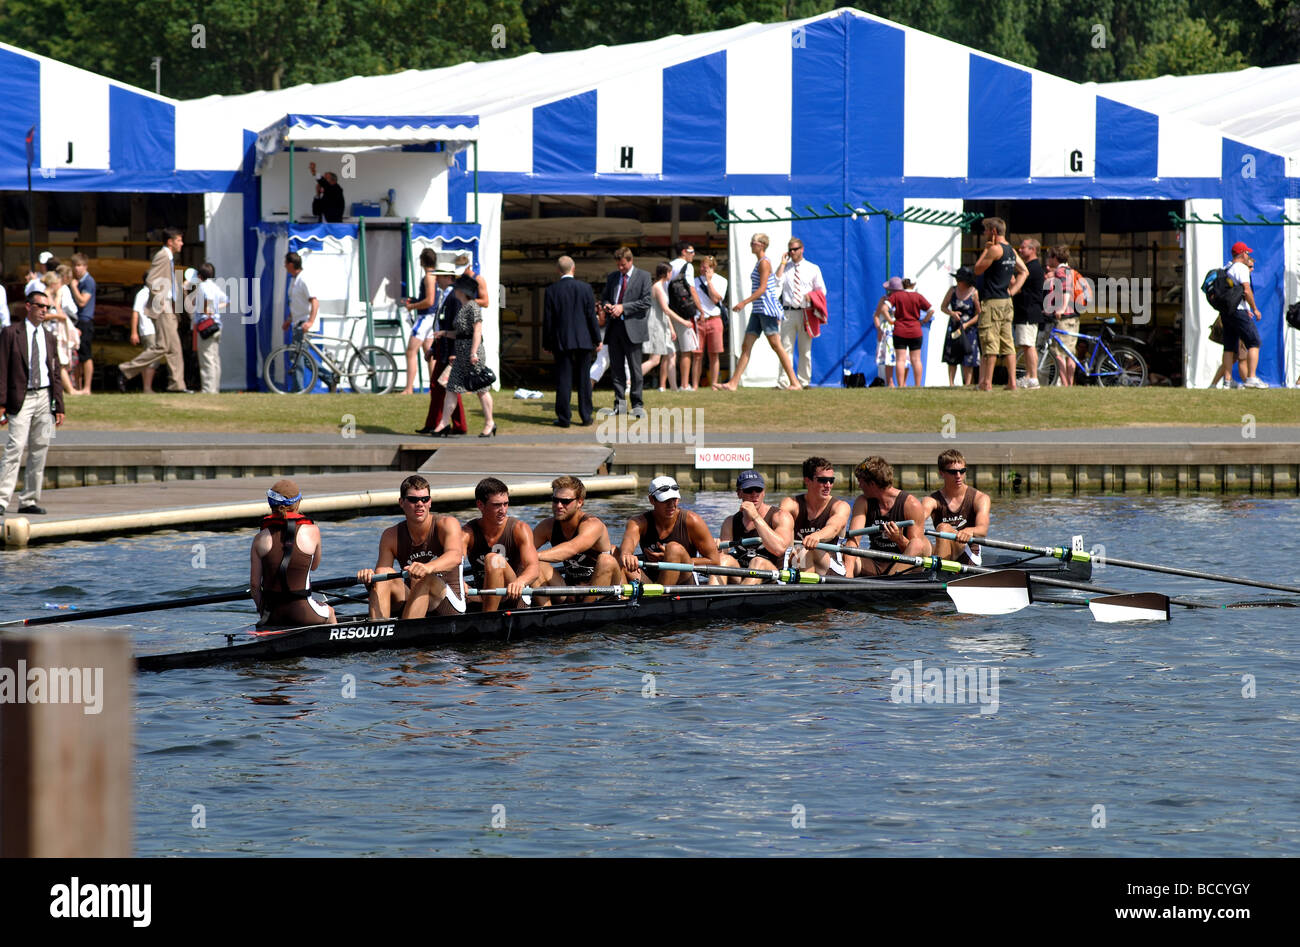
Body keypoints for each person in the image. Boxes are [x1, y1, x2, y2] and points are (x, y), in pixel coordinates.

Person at [357, 474, 467, 620]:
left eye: (424, 499)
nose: (420, 503)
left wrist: (428, 567)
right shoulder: (390, 535)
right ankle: (377, 629)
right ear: (401, 502)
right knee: (383, 572)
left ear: (430, 502)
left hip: (448, 603)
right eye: (413, 500)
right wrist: (370, 580)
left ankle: (403, 634)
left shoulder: (447, 524)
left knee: (425, 578)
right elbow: (381, 577)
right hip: (413, 596)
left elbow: (455, 556)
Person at [0, 292, 65, 516]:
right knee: (15, 447)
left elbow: (55, 372)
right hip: (22, 398)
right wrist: (1, 403)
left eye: (47, 307)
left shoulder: (49, 337)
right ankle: (1, 499)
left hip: (45, 399)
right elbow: (2, 369)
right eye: (40, 306)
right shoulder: (11, 333)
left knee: (41, 448)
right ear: (28, 306)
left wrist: (59, 406)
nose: (44, 310)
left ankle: (29, 500)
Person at [249, 478, 337, 627]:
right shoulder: (313, 531)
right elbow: (314, 566)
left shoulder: (259, 539)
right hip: (303, 613)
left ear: (271, 504)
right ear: (297, 504)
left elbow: (254, 586)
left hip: (272, 615)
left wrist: (262, 610)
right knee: (331, 612)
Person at [722, 234, 802, 390]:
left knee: (776, 345)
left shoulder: (764, 263)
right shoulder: (759, 262)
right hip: (758, 309)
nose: (751, 245)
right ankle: (733, 383)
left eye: (754, 243)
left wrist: (744, 302)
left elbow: (762, 288)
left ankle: (795, 382)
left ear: (762, 245)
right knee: (747, 346)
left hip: (766, 308)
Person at [119, 227, 190, 393]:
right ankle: (126, 369)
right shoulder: (163, 256)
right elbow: (151, 279)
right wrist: (162, 301)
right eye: (179, 240)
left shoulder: (169, 258)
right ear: (170, 242)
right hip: (162, 308)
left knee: (175, 349)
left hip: (169, 308)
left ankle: (177, 385)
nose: (182, 243)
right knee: (163, 347)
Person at [619, 476, 724, 586]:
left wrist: (671, 559)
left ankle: (661, 599)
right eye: (665, 500)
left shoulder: (692, 521)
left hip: (684, 582)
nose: (671, 505)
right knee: (616, 553)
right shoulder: (639, 522)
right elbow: (629, 541)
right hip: (651, 582)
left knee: (673, 549)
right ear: (651, 500)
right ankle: (623, 600)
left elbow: (715, 561)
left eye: (674, 499)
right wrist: (626, 554)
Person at [533, 475, 623, 602]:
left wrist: (531, 555)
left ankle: (586, 611)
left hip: (603, 589)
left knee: (606, 560)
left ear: (579, 502)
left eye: (565, 502)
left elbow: (570, 549)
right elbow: (522, 551)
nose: (559, 505)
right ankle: (544, 614)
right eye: (555, 500)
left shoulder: (592, 524)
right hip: (570, 588)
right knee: (536, 564)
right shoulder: (547, 526)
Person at [429, 274, 496, 437]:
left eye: (457, 288)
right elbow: (460, 333)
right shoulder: (463, 306)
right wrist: (444, 333)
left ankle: (489, 422)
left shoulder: (472, 306)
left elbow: (477, 332)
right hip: (461, 352)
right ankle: (444, 423)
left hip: (472, 352)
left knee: (481, 388)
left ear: (463, 291)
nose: (455, 290)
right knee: (451, 388)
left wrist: (473, 353)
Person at [463, 477, 540, 612]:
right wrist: (460, 583)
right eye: (497, 505)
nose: (503, 510)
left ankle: (487, 619)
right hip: (483, 595)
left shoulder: (519, 529)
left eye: (505, 504)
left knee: (494, 559)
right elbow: (453, 561)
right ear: (480, 505)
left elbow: (534, 568)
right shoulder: (467, 532)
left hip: (513, 595)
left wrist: (520, 582)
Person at [543, 255, 601, 427]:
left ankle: (564, 418)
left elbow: (548, 320)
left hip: (562, 340)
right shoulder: (585, 288)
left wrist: (547, 343)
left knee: (563, 380)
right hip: (584, 339)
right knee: (584, 379)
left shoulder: (551, 290)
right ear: (573, 269)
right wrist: (597, 338)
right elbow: (591, 316)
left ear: (558, 270)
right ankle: (586, 416)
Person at [847, 456, 930, 576]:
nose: (859, 486)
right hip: (874, 562)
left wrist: (898, 539)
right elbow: (853, 540)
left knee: (917, 543)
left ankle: (889, 584)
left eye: (861, 481)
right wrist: (848, 572)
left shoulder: (911, 504)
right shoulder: (862, 502)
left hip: (904, 563)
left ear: (872, 484)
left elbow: (917, 552)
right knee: (846, 554)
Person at [972, 217, 1027, 391]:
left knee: (990, 341)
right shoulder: (1010, 250)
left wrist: (986, 249)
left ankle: (986, 382)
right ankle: (1012, 382)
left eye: (986, 230)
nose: (984, 234)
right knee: (1008, 342)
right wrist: (1012, 291)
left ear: (993, 232)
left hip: (992, 302)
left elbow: (978, 269)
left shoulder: (994, 249)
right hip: (1006, 301)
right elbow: (1024, 271)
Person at [599, 247, 651, 418]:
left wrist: (623, 308)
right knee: (616, 370)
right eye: (618, 265)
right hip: (614, 329)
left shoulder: (643, 276)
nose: (620, 268)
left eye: (623, 265)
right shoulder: (613, 277)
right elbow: (605, 297)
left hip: (633, 329)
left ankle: (637, 405)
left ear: (630, 261)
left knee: (636, 371)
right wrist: (607, 306)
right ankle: (619, 406)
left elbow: (646, 302)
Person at [416, 262, 467, 434]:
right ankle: (436, 423)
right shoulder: (446, 295)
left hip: (450, 349)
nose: (436, 279)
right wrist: (433, 347)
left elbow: (457, 327)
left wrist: (454, 352)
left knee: (448, 386)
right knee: (440, 387)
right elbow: (440, 325)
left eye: (439, 276)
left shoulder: (454, 297)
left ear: (448, 277)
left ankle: (455, 426)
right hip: (442, 347)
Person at [719, 469, 795, 585]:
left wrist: (755, 517)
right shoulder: (730, 522)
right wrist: (715, 547)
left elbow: (779, 549)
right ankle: (707, 601)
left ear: (764, 492)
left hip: (776, 578)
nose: (754, 494)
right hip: (744, 577)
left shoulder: (780, 516)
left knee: (757, 562)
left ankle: (739, 599)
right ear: (739, 493)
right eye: (749, 490)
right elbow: (722, 554)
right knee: (723, 560)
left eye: (758, 490)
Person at [778, 456, 851, 576]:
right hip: (798, 562)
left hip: (831, 569)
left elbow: (834, 528)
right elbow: (778, 524)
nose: (828, 485)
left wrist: (817, 536)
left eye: (831, 480)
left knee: (809, 550)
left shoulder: (840, 506)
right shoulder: (791, 505)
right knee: (800, 551)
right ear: (807, 481)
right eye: (822, 480)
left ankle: (805, 590)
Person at [920, 449, 990, 566]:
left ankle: (937, 574)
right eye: (953, 472)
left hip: (969, 556)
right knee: (919, 541)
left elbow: (983, 530)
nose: (958, 476)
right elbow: (916, 523)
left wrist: (969, 531)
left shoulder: (980, 498)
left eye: (962, 471)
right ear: (941, 473)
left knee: (943, 528)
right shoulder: (931, 501)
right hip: (946, 550)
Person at [775, 237, 826, 388]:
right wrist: (782, 263)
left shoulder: (812, 268)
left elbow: (822, 290)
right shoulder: (786, 268)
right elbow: (776, 282)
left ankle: (804, 381)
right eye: (790, 249)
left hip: (805, 312)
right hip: (788, 312)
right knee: (785, 349)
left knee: (805, 350)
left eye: (795, 249)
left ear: (802, 249)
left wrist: (811, 296)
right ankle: (784, 382)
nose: (792, 252)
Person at [1222, 241, 1266, 388]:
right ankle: (1251, 378)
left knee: (1229, 347)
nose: (1248, 255)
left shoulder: (1227, 267)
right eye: (1247, 252)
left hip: (1226, 312)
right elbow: (1246, 290)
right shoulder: (1241, 268)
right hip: (1239, 310)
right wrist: (1255, 309)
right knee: (1254, 342)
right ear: (1242, 254)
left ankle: (1227, 381)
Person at [1044, 245, 1090, 386]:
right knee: (1070, 352)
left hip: (1065, 318)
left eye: (1049, 257)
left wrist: (1061, 308)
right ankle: (1069, 382)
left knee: (1058, 353)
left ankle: (1065, 383)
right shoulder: (1071, 271)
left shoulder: (1061, 272)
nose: (1047, 260)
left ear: (1055, 258)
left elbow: (1066, 291)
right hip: (1074, 317)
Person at [401, 248, 441, 395]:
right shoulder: (435, 276)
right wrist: (416, 300)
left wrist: (412, 306)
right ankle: (434, 388)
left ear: (422, 261)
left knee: (411, 351)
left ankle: (409, 388)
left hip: (425, 318)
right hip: (432, 319)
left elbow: (430, 301)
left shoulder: (428, 277)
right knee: (429, 353)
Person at [883, 276, 934, 387]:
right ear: (914, 284)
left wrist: (891, 321)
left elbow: (884, 308)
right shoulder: (918, 296)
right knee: (916, 359)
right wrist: (924, 321)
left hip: (900, 330)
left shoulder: (897, 296)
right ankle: (917, 385)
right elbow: (931, 310)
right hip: (915, 330)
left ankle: (901, 385)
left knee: (900, 359)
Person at [669, 242, 704, 390]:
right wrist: (700, 309)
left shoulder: (670, 265)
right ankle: (684, 384)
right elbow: (691, 289)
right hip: (684, 313)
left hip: (670, 310)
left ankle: (669, 385)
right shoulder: (687, 266)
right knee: (686, 350)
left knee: (671, 352)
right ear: (684, 252)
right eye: (692, 251)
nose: (693, 254)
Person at [41, 270, 82, 397]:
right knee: (58, 363)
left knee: (60, 362)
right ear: (53, 284)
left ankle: (66, 389)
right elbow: (43, 315)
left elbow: (59, 312)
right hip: (48, 331)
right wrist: (58, 315)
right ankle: (70, 390)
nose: (60, 286)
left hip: (54, 332)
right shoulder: (44, 297)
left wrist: (58, 300)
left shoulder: (52, 297)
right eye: (58, 284)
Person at [940, 267, 981, 386]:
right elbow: (943, 307)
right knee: (952, 355)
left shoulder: (974, 293)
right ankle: (951, 383)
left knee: (968, 357)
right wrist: (952, 313)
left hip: (969, 329)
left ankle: (967, 383)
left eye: (960, 280)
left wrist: (967, 324)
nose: (958, 282)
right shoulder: (952, 291)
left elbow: (979, 314)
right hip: (954, 327)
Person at [1013, 238, 1045, 389]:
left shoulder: (1032, 268)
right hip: (1025, 311)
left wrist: (1010, 277)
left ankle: (1033, 378)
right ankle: (1028, 376)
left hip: (1028, 311)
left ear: (1032, 249)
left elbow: (1018, 287)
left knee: (1028, 345)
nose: (1020, 250)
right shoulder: (1030, 267)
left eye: (1023, 247)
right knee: (1026, 345)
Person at [192, 262, 227, 394]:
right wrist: (215, 309)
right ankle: (215, 388)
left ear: (199, 276)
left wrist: (206, 309)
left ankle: (208, 389)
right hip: (216, 325)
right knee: (215, 358)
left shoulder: (203, 287)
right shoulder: (215, 287)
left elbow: (207, 299)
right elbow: (227, 301)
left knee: (207, 358)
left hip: (206, 325)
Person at [643, 261, 678, 391]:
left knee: (671, 354)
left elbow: (664, 311)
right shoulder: (657, 287)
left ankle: (674, 388)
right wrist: (683, 321)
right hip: (656, 326)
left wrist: (671, 328)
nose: (671, 274)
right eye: (670, 272)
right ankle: (629, 380)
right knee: (655, 360)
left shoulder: (661, 287)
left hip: (662, 326)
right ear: (665, 273)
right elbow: (666, 310)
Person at [694, 255, 727, 390]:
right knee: (697, 355)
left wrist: (709, 282)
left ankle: (714, 384)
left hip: (715, 319)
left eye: (706, 267)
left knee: (714, 354)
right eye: (701, 266)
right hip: (699, 320)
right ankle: (695, 385)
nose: (702, 269)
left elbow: (716, 299)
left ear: (713, 267)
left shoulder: (721, 280)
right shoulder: (694, 281)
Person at [126, 270, 159, 393]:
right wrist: (134, 332)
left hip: (151, 330)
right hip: (148, 330)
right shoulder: (143, 293)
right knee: (151, 360)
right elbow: (135, 313)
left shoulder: (151, 293)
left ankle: (147, 387)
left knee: (148, 359)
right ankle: (147, 387)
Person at [69, 253, 96, 393]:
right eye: (74, 265)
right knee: (77, 356)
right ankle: (78, 386)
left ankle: (87, 387)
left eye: (79, 265)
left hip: (85, 321)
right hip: (76, 321)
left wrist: (73, 287)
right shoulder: (78, 280)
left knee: (86, 355)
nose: (76, 268)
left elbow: (82, 301)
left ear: (85, 266)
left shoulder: (88, 282)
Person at [874, 290, 900, 386]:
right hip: (887, 331)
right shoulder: (884, 299)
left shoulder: (901, 298)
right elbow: (876, 316)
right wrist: (879, 329)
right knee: (889, 356)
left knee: (903, 357)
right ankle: (890, 382)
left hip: (900, 329)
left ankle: (902, 383)